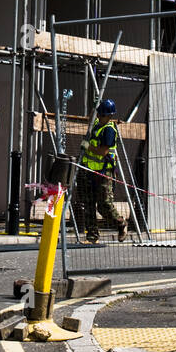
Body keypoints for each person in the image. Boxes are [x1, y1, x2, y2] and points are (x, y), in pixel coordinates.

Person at [72, 98, 128, 244]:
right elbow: (91, 118)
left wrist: (87, 147)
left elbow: (103, 152)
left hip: (103, 172)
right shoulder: (97, 123)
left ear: (109, 116)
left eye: (102, 115)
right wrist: (95, 105)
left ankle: (121, 223)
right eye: (99, 114)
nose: (99, 117)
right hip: (88, 171)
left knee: (104, 205)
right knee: (88, 204)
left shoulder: (109, 129)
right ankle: (92, 236)